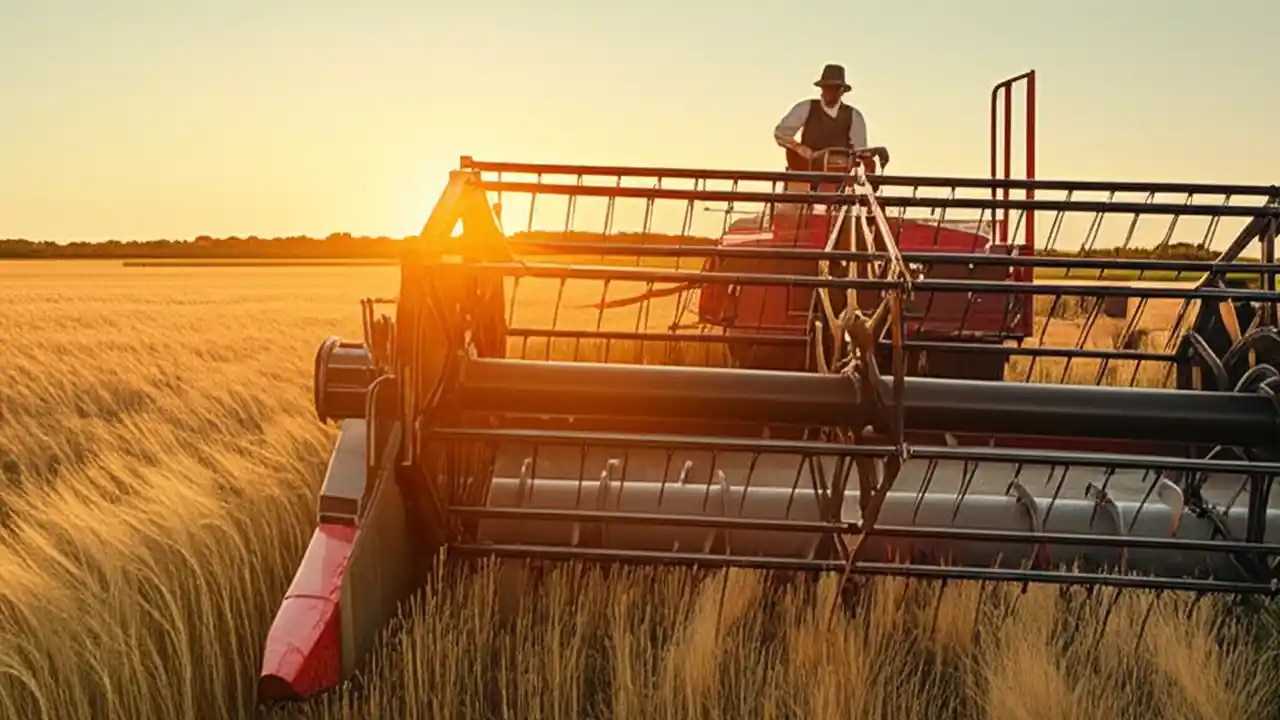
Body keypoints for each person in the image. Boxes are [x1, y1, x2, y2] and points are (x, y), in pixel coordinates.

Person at [774, 64, 885, 173]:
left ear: (842, 91)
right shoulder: (806, 107)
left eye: (835, 88)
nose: (829, 91)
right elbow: (781, 133)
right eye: (827, 87)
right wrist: (800, 149)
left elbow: (860, 150)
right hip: (805, 175)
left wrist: (868, 157)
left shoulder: (854, 116)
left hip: (838, 179)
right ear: (822, 88)